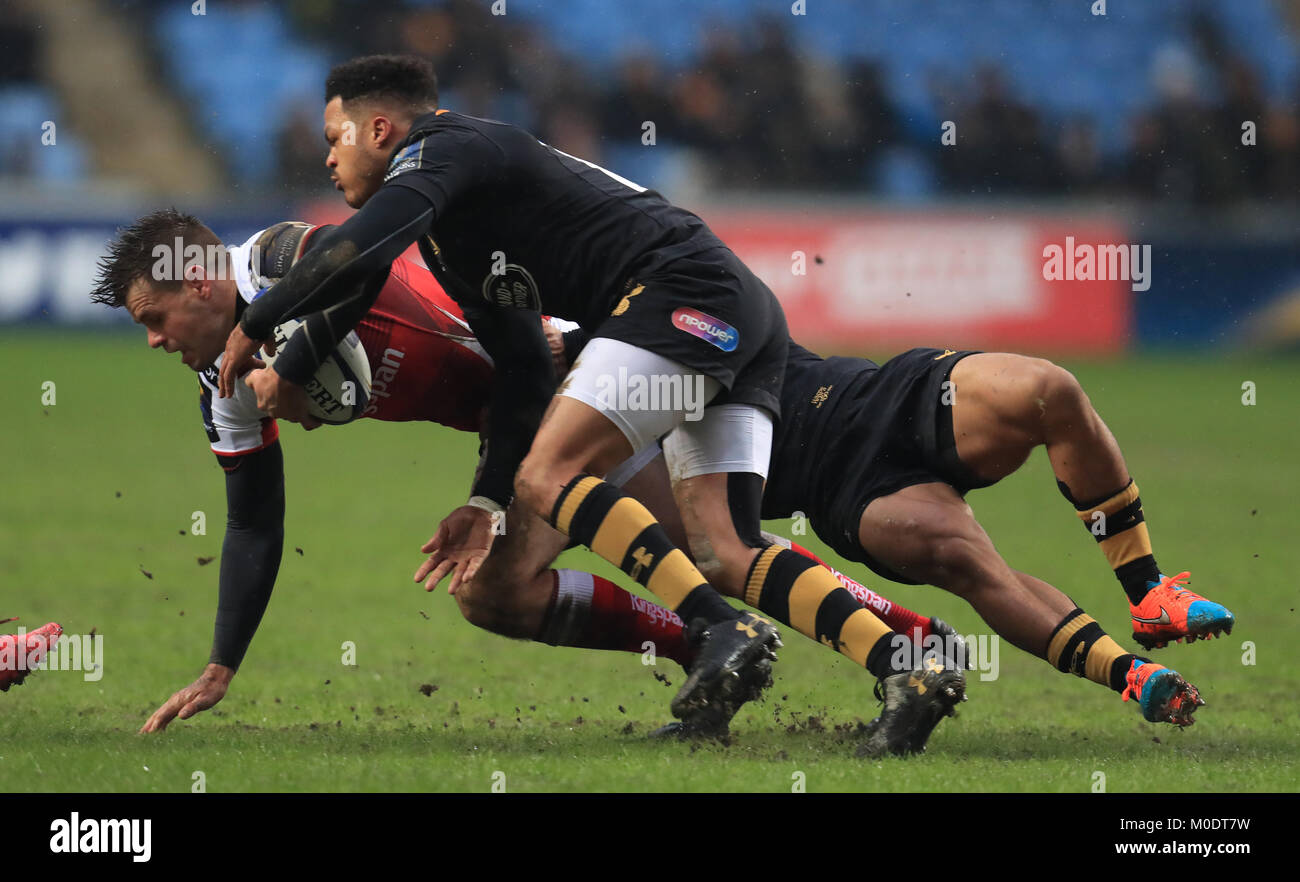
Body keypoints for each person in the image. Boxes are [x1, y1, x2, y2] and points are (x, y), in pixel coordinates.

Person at [218, 54, 955, 732]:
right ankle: (909, 662)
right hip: (728, 305)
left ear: (380, 129)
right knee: (725, 549)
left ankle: (716, 629)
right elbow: (524, 373)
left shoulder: (448, 147)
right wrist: (483, 500)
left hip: (680, 298)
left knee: (553, 477)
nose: (328, 156)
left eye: (335, 137)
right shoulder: (456, 239)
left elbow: (361, 246)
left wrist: (257, 323)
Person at [90, 211, 958, 747]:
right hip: (521, 416)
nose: (156, 341)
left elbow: (353, 268)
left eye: (155, 318)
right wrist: (220, 666)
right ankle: (713, 648)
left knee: (715, 548)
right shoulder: (223, 389)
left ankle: (907, 643)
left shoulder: (281, 256)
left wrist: (301, 355)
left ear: (201, 284)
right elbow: (251, 524)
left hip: (586, 356)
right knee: (497, 591)